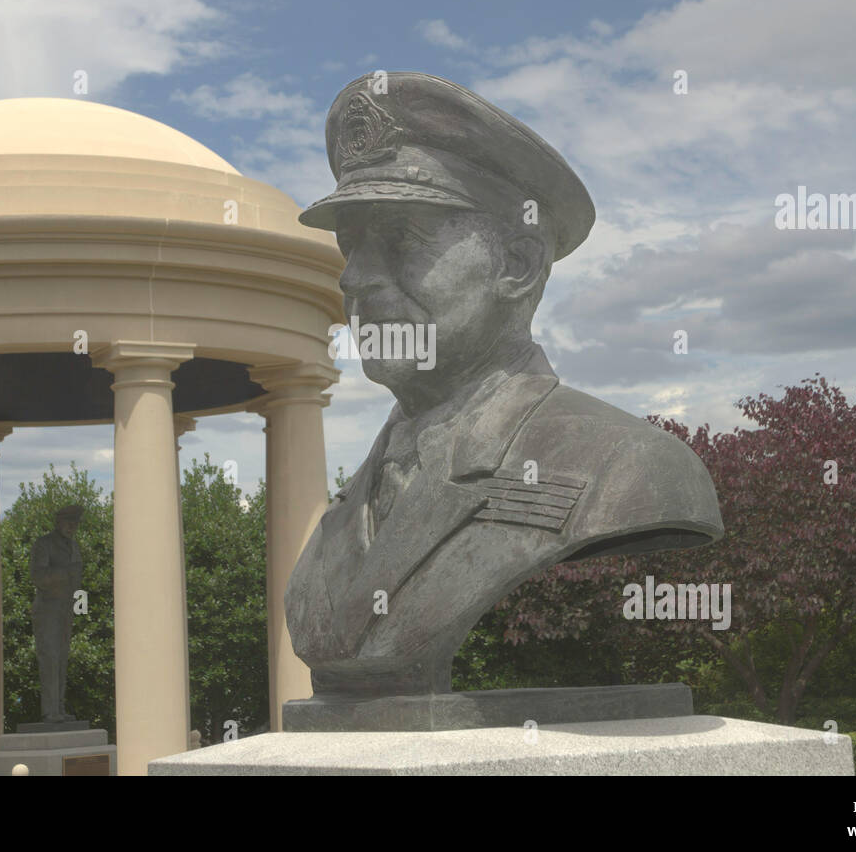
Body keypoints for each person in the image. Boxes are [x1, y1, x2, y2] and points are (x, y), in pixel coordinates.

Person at [286, 72, 724, 700]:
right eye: (350, 246)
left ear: (516, 265)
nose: (355, 279)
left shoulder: (626, 469)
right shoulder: (345, 515)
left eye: (401, 238)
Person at [30, 504, 84, 722]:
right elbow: (38, 577)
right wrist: (64, 573)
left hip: (65, 609)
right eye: (69, 522)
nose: (72, 527)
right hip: (48, 609)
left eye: (75, 523)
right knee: (50, 658)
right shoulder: (44, 545)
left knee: (62, 659)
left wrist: (80, 606)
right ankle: (49, 711)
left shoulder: (74, 547)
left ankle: (59, 709)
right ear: (59, 522)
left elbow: (79, 581)